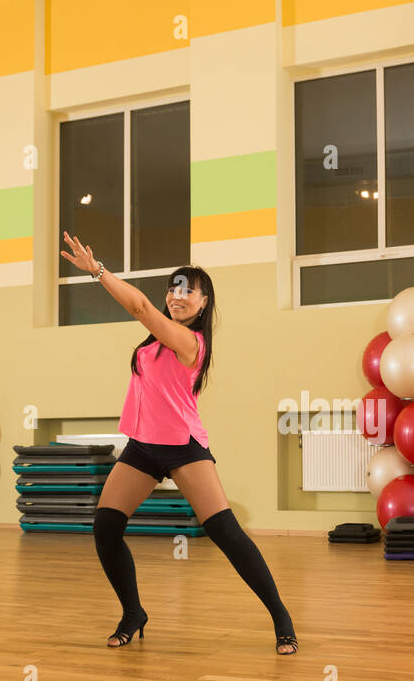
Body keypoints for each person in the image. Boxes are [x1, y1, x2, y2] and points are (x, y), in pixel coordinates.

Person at [60, 233, 298, 654]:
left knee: (226, 533)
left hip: (183, 445)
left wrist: (97, 271)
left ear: (204, 302)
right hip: (142, 446)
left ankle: (281, 617)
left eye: (188, 290)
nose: (178, 295)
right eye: (173, 287)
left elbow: (138, 306)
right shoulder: (153, 343)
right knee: (106, 526)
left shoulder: (191, 343)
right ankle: (133, 613)